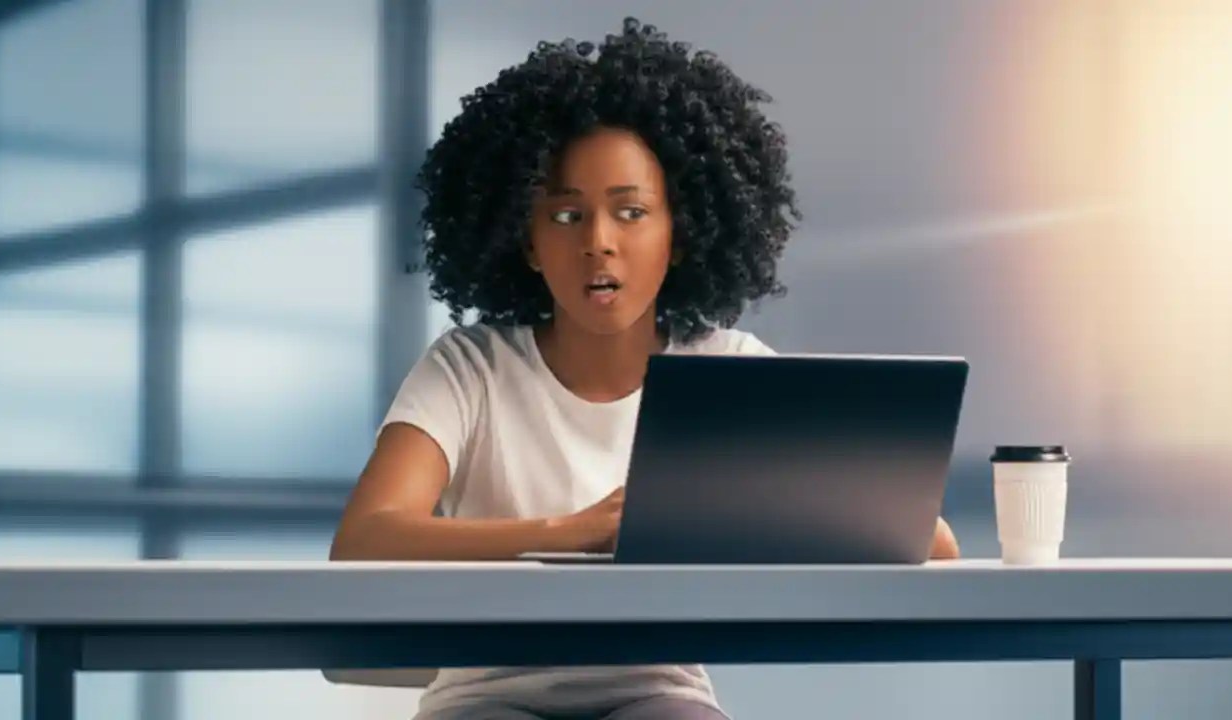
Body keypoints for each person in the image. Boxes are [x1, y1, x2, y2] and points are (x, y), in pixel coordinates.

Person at [330, 17, 961, 720]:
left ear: (682, 236)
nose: (599, 243)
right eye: (566, 217)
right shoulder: (471, 368)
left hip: (657, 693)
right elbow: (366, 538)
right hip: (484, 695)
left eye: (631, 212)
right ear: (528, 243)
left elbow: (931, 542)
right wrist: (570, 533)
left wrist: (753, 509)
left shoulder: (729, 371)